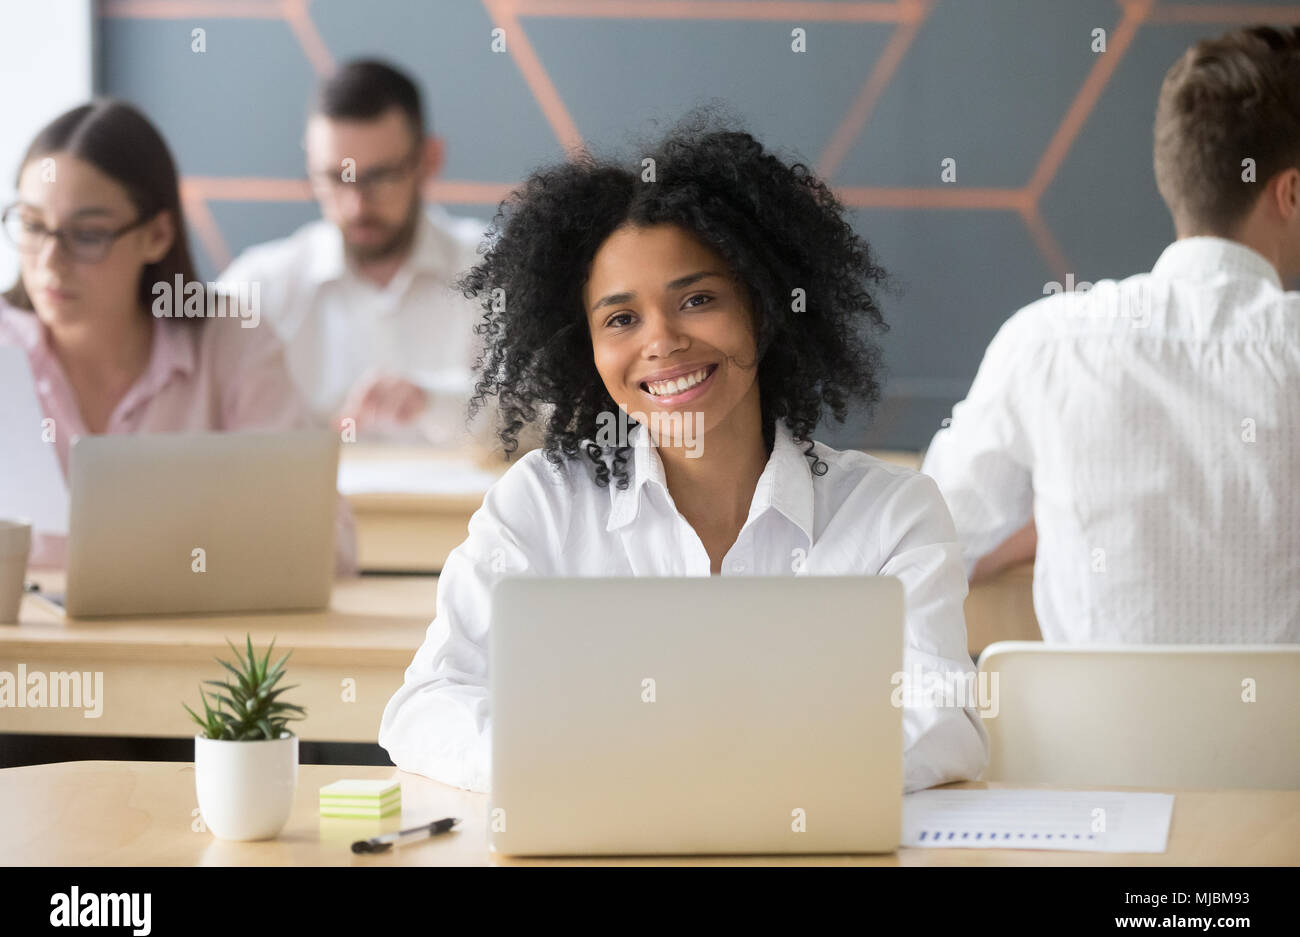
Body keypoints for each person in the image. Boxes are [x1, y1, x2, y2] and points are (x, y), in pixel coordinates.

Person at [379, 112, 989, 794]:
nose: (662, 341)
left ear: (761, 309)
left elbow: (942, 725)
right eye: (621, 319)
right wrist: (581, 773)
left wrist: (719, 779)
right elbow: (427, 704)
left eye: (697, 299)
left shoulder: (891, 516)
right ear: (585, 347)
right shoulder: (541, 505)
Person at [922, 25, 1300, 644]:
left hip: (1089, 745)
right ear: (1288, 191)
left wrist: (1048, 524)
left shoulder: (1047, 344)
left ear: (1173, 176)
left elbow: (926, 541)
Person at [0, 99, 357, 574]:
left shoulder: (232, 342)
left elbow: (328, 544)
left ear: (157, 235)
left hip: (195, 644)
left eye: (87, 235)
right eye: (31, 225)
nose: (49, 261)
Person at [218, 59, 491, 448]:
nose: (356, 205)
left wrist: (431, 400)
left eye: (380, 177)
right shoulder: (261, 285)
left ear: (428, 160)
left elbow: (543, 414)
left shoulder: (495, 268)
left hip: (465, 511)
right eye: (334, 178)